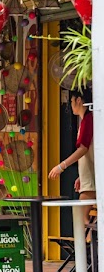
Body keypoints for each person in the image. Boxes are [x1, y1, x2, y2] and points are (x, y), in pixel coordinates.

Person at [49, 86, 96, 226]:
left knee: (82, 220)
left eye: (71, 101)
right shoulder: (86, 120)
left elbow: (83, 149)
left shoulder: (88, 120)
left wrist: (61, 166)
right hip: (89, 176)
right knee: (85, 221)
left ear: (78, 100)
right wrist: (81, 176)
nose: (71, 104)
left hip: (91, 180)